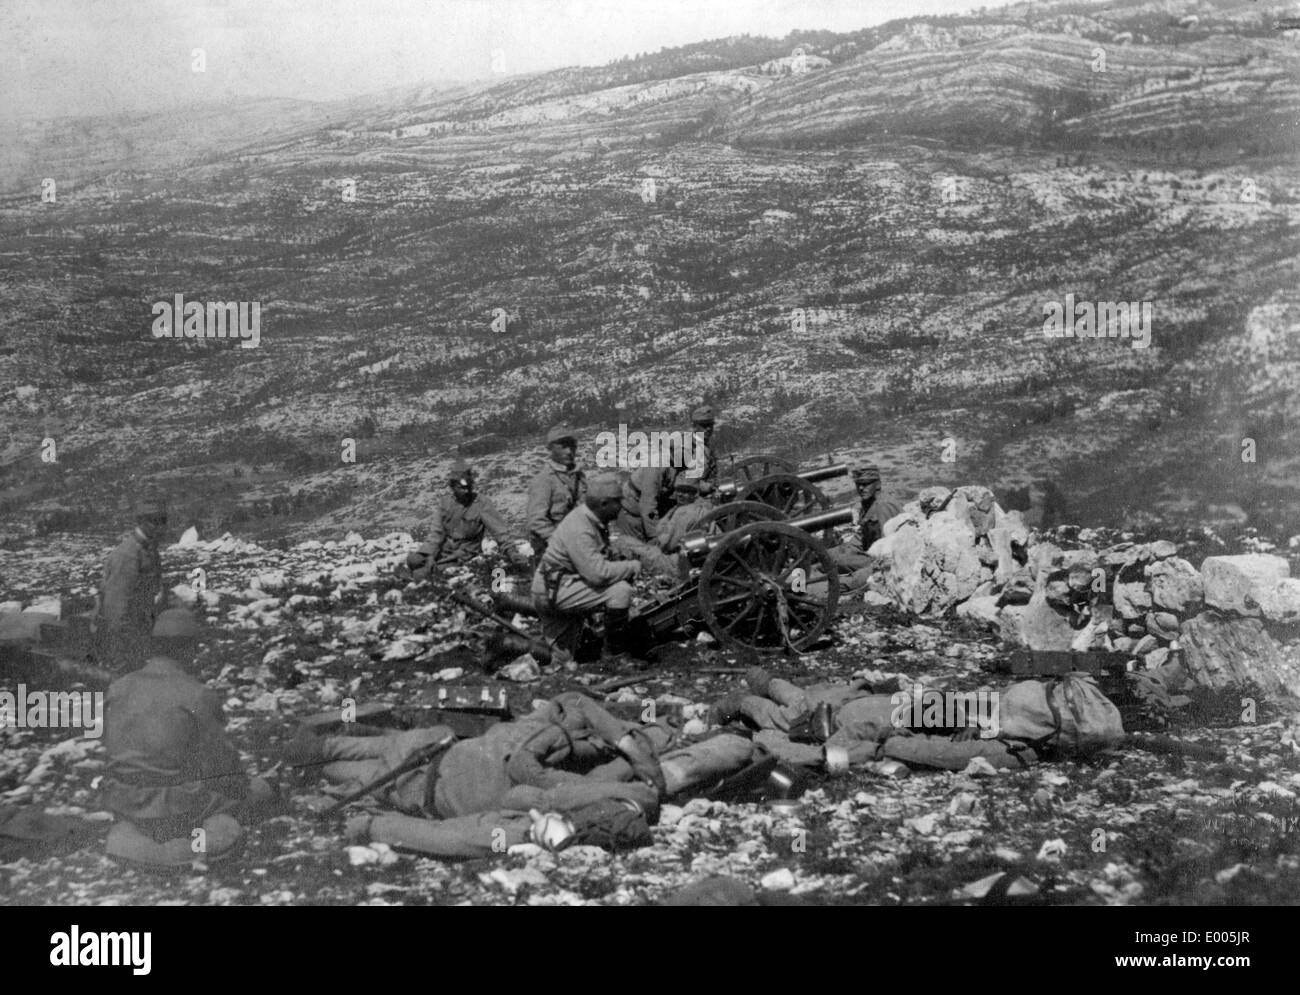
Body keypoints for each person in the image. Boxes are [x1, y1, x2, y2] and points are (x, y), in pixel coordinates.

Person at [285, 692, 756, 860]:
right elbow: (574, 703)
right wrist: (631, 746)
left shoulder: (538, 806)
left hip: (419, 779)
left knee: (345, 768)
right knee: (346, 756)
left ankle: (316, 760)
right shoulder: (561, 745)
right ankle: (313, 752)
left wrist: (371, 825)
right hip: (433, 752)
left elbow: (453, 837)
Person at [101, 609, 273, 870]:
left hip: (124, 797)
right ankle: (183, 851)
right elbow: (222, 764)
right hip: (174, 804)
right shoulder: (197, 695)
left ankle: (131, 840)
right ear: (189, 649)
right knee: (258, 791)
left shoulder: (117, 688)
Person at [532, 473, 642, 665]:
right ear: (604, 504)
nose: (621, 507)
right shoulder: (580, 528)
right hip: (555, 590)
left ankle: (507, 646)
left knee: (561, 659)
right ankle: (615, 657)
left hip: (558, 586)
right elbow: (598, 574)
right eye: (617, 502)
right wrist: (632, 567)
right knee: (619, 592)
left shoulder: (590, 519)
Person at [406, 462, 530, 577]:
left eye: (469, 487)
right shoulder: (445, 503)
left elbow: (500, 532)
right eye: (462, 487)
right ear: (453, 487)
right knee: (413, 560)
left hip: (465, 555)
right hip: (443, 552)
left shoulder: (481, 503)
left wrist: (512, 552)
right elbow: (436, 534)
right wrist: (429, 555)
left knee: (420, 574)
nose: (466, 491)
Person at [98, 495, 168, 672]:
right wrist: (120, 658)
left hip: (142, 632)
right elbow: (115, 611)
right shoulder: (128, 555)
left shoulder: (149, 550)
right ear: (141, 521)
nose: (160, 526)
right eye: (154, 521)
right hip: (126, 642)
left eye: (163, 520)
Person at [826, 464, 903, 573]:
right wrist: (844, 550)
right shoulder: (869, 503)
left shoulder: (883, 506)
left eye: (866, 484)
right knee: (824, 555)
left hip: (882, 560)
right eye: (858, 484)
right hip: (868, 552)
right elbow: (862, 536)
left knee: (833, 563)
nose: (861, 488)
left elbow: (888, 548)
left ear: (878, 485)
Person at [525, 426, 587, 558]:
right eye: (563, 446)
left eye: (572, 446)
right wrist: (561, 543)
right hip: (551, 548)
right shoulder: (544, 480)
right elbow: (536, 521)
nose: (569, 451)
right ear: (551, 448)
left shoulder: (579, 477)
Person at [654, 477, 710, 554]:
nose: (680, 494)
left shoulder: (685, 512)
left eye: (685, 491)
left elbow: (670, 544)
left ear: (694, 495)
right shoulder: (678, 507)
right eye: (679, 490)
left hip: (676, 555)